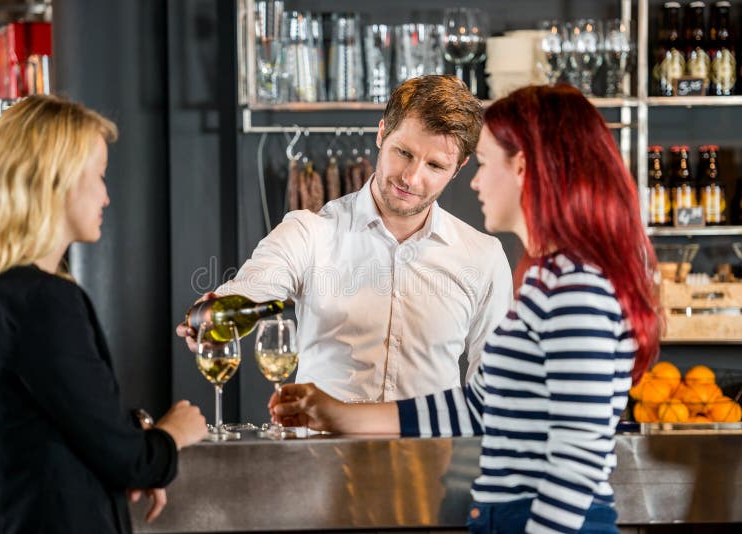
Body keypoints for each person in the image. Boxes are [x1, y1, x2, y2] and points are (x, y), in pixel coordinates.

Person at [271, 84, 661, 533]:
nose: (473, 180)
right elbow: (480, 406)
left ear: (522, 168)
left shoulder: (575, 288)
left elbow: (578, 460)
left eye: (483, 163)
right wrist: (339, 413)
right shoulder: (547, 280)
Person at [0, 95, 209, 534]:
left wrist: (136, 436)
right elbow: (130, 462)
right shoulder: (43, 301)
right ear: (57, 181)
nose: (106, 195)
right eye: (99, 176)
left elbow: (62, 421)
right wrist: (173, 434)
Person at [177, 75, 513, 402]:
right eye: (404, 153)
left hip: (431, 455)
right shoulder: (309, 233)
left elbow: (496, 387)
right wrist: (215, 310)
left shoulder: (483, 257)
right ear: (382, 133)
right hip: (323, 455)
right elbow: (251, 289)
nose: (412, 177)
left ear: (459, 168)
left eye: (435, 166)